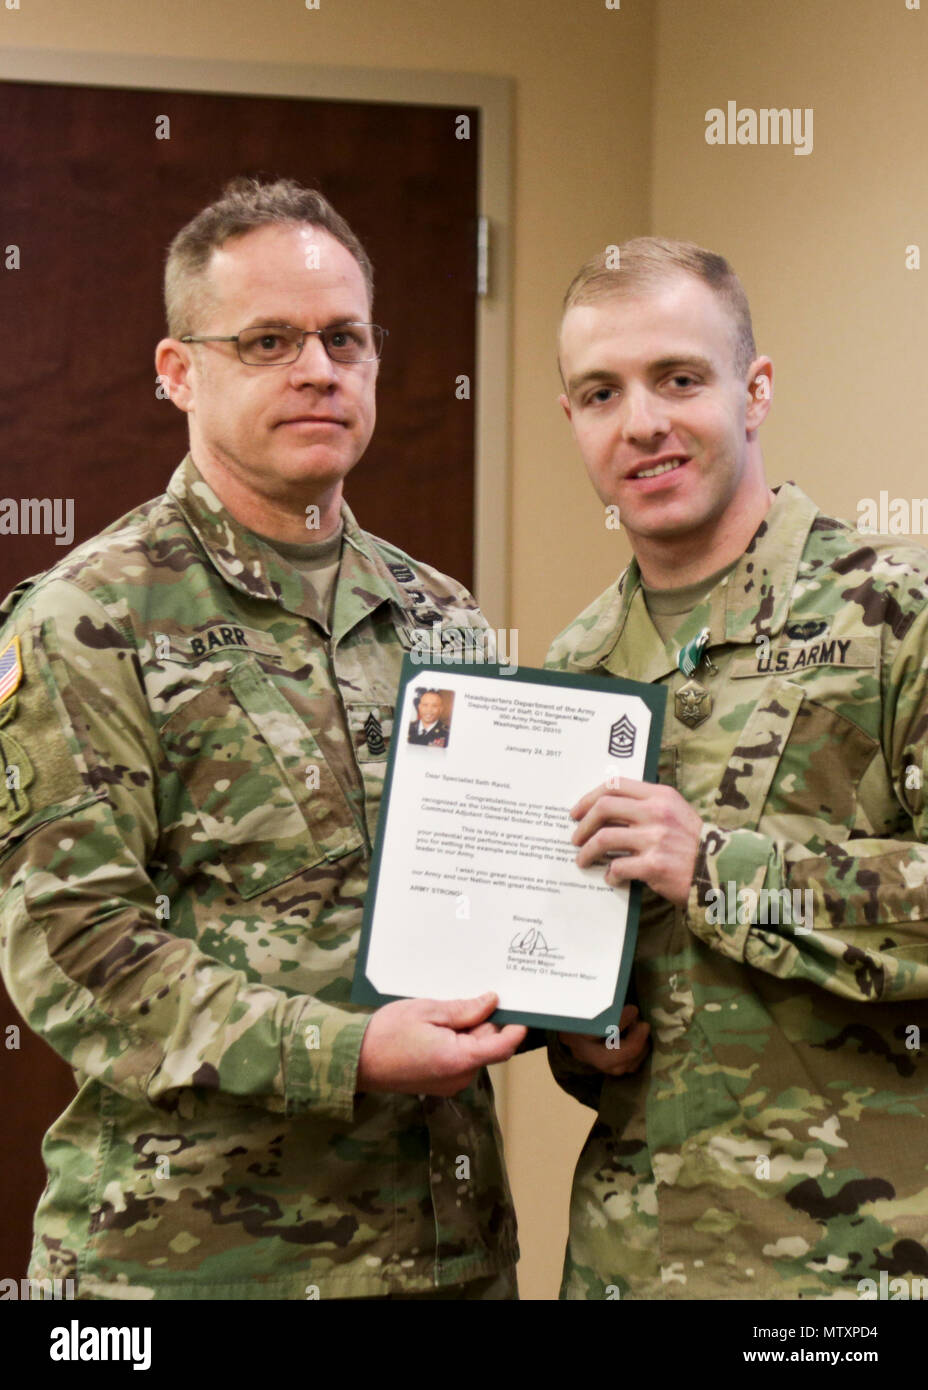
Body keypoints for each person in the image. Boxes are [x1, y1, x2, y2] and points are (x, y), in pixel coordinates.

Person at [0, 177, 526, 1301]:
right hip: (193, 1264)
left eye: (345, 337)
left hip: (444, 1253)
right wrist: (348, 1052)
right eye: (268, 340)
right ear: (179, 370)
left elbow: (500, 902)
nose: (318, 369)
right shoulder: (87, 617)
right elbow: (73, 948)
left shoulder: (442, 616)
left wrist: (577, 1011)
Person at [547, 236, 928, 1300]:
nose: (642, 423)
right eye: (599, 392)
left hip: (854, 1273)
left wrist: (716, 865)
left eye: (679, 378)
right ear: (571, 422)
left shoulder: (896, 614)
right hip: (633, 1261)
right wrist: (586, 1041)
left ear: (753, 390)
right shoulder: (571, 675)